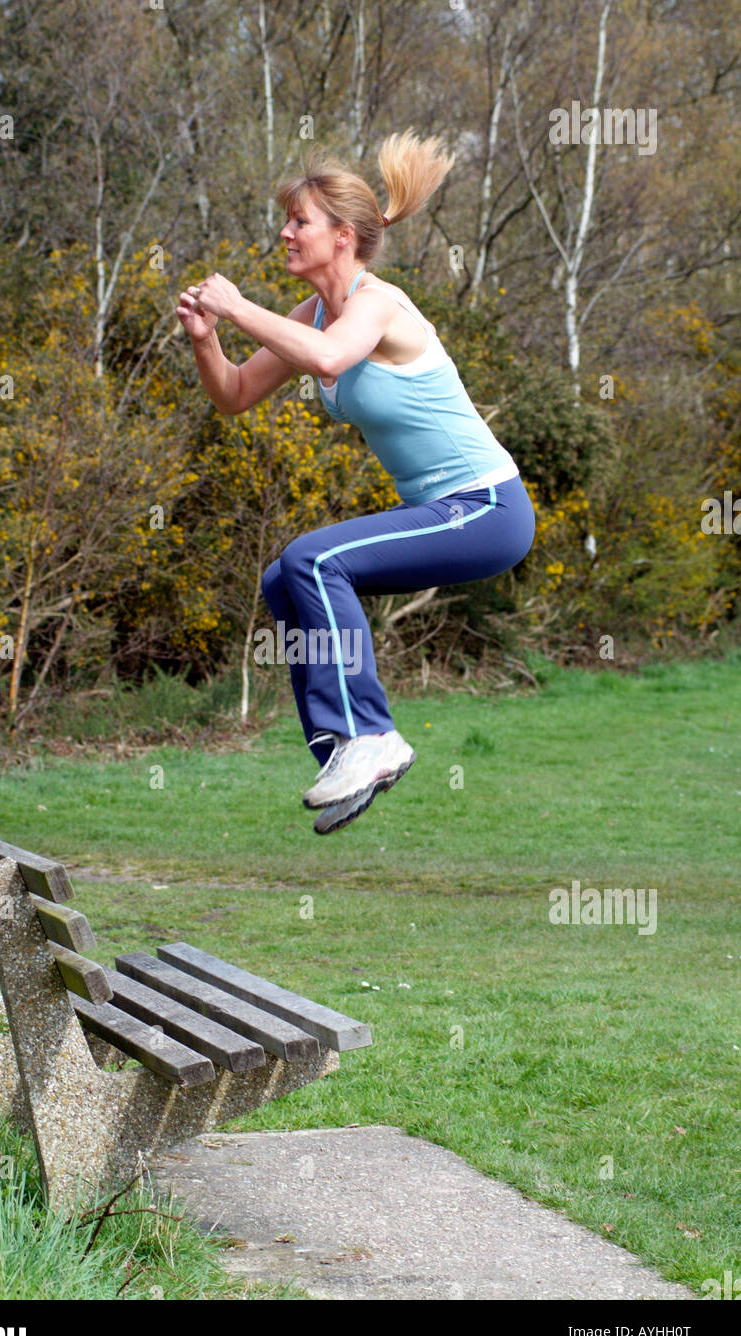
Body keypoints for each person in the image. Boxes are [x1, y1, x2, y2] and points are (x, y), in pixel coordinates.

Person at [176, 129, 535, 834]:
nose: (285, 233)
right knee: (285, 577)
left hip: (489, 507)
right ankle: (344, 752)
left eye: (298, 222)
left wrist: (241, 307)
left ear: (343, 237)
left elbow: (332, 360)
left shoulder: (379, 305)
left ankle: (372, 736)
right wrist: (207, 341)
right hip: (450, 510)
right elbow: (236, 395)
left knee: (316, 557)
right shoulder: (314, 314)